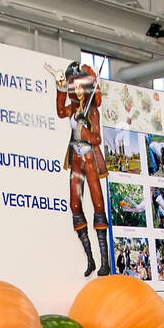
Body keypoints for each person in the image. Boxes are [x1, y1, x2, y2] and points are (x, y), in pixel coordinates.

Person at [54, 60, 110, 277]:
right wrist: (59, 87)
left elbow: (97, 137)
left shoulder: (92, 111)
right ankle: (90, 259)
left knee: (98, 204)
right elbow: (60, 111)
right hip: (76, 160)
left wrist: (87, 133)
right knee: (75, 205)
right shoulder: (73, 109)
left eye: (79, 86)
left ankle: (104, 261)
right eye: (72, 86)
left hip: (90, 159)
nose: (76, 90)